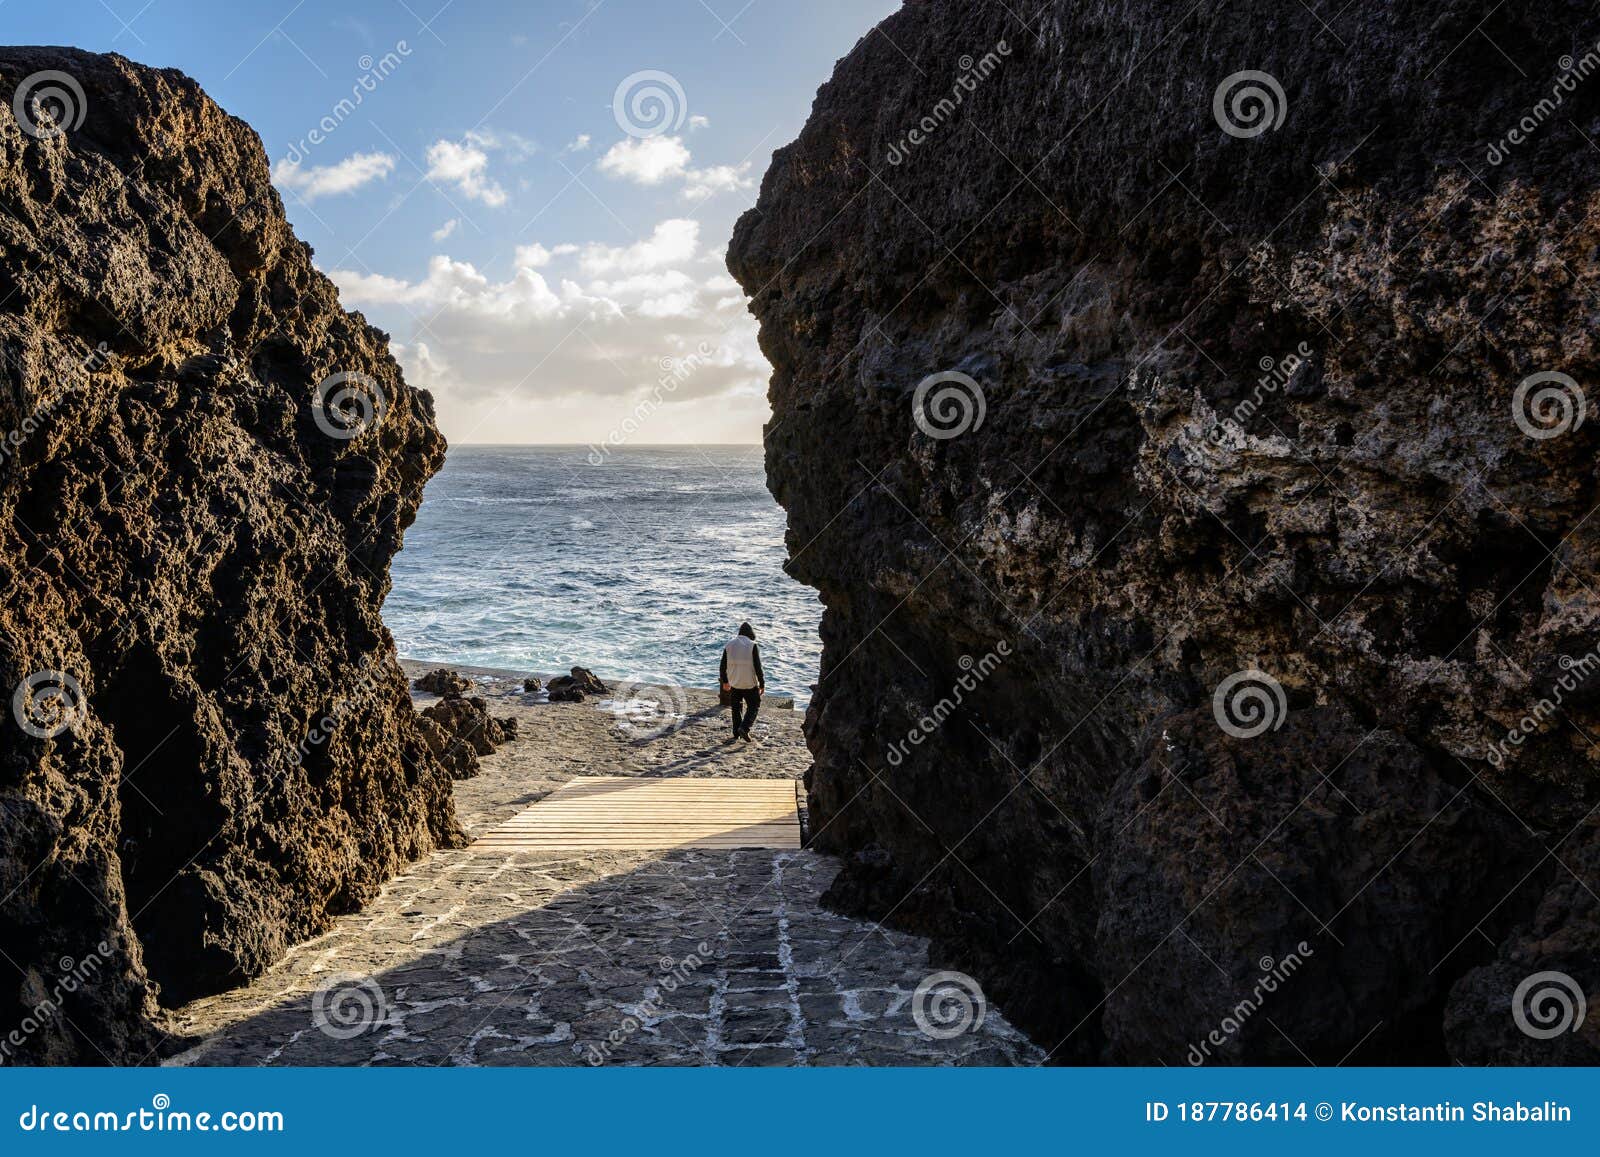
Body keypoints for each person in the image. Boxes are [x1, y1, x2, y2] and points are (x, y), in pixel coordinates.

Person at [720, 622, 765, 742]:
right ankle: (744, 728)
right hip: (750, 683)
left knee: (736, 707)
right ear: (751, 634)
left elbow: (722, 665)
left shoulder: (729, 645)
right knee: (754, 705)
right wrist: (762, 683)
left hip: (735, 682)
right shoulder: (752, 645)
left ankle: (736, 732)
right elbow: (758, 667)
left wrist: (725, 681)